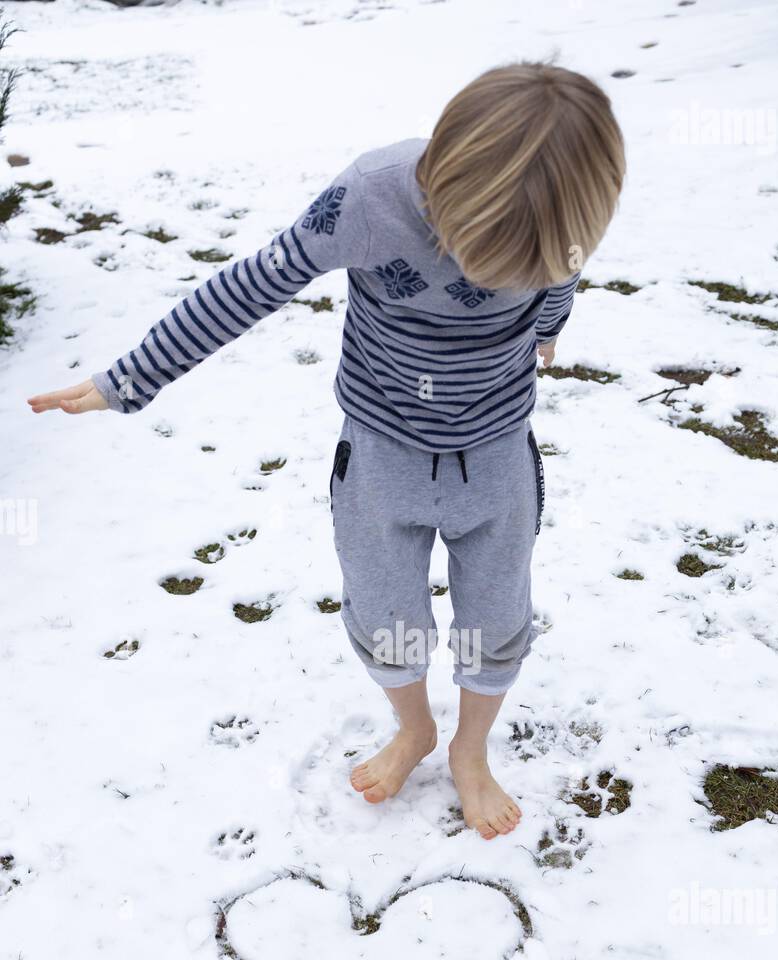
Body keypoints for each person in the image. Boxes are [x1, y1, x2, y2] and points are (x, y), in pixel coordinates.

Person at [28, 62, 625, 840]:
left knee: (496, 615)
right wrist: (130, 378)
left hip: (498, 459)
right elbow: (254, 283)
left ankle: (471, 751)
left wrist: (547, 327)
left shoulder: (560, 216)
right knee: (387, 614)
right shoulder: (371, 198)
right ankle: (413, 729)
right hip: (381, 456)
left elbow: (562, 282)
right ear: (444, 189)